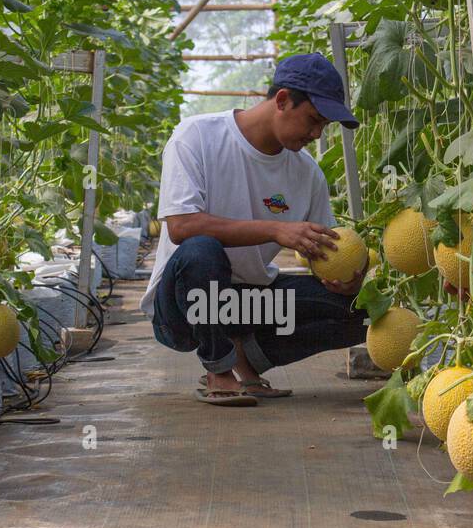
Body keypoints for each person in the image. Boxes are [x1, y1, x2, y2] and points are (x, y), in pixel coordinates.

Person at [140, 53, 368, 407]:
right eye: (312, 120)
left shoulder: (307, 172)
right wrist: (276, 229)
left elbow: (326, 252)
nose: (316, 133)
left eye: (324, 126)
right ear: (281, 100)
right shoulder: (197, 136)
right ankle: (218, 368)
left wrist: (348, 279)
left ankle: (247, 358)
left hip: (247, 306)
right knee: (202, 249)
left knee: (361, 308)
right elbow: (181, 227)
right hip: (184, 308)